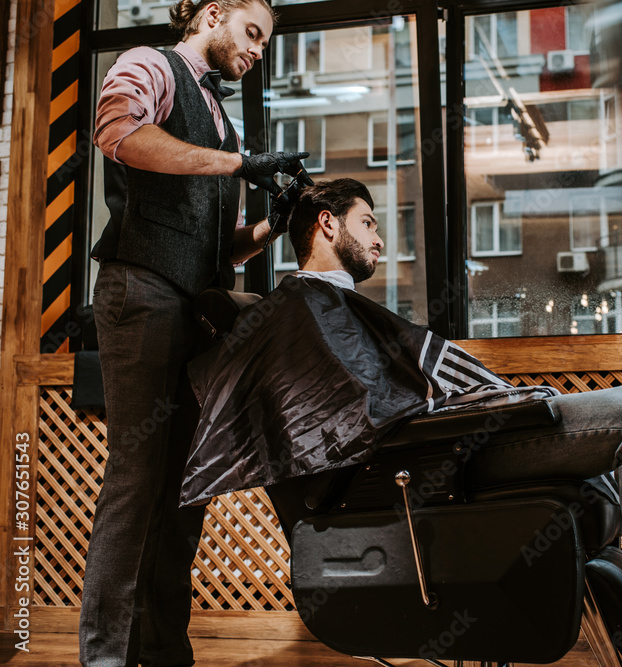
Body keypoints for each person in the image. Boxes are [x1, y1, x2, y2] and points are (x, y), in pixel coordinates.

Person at [180, 178, 622, 657]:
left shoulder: (332, 309)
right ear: (326, 223)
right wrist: (475, 406)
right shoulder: (300, 309)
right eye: (367, 223)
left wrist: (491, 401)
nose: (379, 240)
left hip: (457, 440)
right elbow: (360, 423)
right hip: (440, 457)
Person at [80, 1, 312, 664]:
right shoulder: (147, 65)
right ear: (212, 14)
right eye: (252, 33)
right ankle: (102, 657)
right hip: (141, 292)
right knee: (136, 479)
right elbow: (116, 130)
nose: (258, 51)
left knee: (185, 490)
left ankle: (161, 652)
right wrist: (237, 166)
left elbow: (214, 248)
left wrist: (272, 225)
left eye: (265, 43)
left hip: (195, 309)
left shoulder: (221, 119)